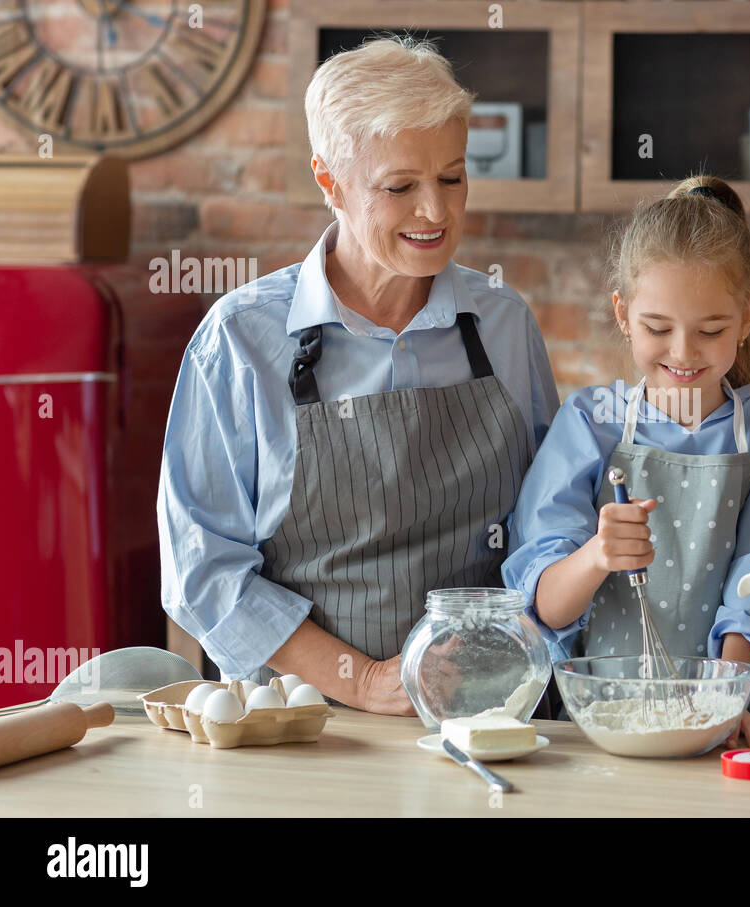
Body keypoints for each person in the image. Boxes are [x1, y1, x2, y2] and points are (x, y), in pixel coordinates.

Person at [158, 37, 559, 714]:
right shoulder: (241, 340)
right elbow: (204, 569)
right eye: (400, 187)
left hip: (494, 717)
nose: (435, 211)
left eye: (453, 177)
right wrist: (367, 680)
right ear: (330, 182)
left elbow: (550, 525)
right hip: (311, 725)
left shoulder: (504, 325)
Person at [503, 176, 750, 744]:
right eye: (657, 328)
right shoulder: (589, 422)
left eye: (711, 329)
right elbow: (545, 606)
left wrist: (722, 698)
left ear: (747, 317)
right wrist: (598, 555)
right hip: (602, 719)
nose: (682, 351)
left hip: (734, 706)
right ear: (623, 314)